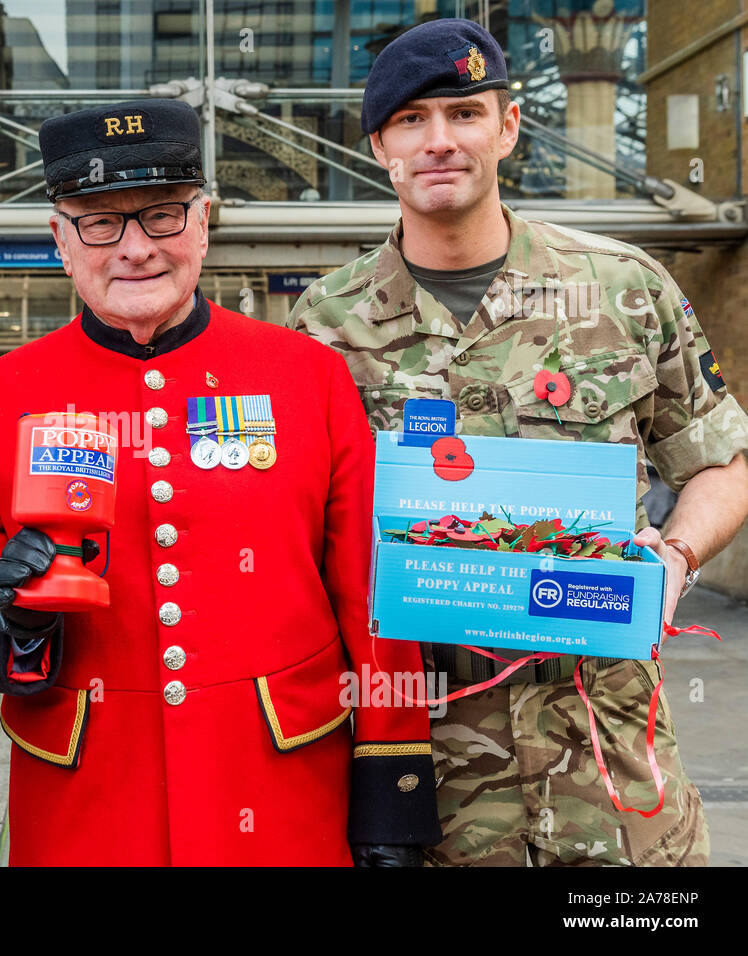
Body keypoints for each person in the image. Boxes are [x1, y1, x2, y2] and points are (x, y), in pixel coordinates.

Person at [289, 18, 748, 866]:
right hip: (428, 790)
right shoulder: (321, 328)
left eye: (465, 113)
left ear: (508, 128)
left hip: (618, 783)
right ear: (380, 146)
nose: (440, 142)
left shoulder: (624, 290)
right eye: (411, 122)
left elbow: (720, 459)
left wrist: (678, 555)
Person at [0, 99, 440, 865]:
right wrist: (7, 617)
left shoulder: (308, 378)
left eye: (163, 215)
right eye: (99, 222)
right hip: (86, 802)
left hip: (282, 786)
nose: (134, 248)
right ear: (60, 241)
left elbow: (370, 598)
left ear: (203, 222)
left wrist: (391, 794)